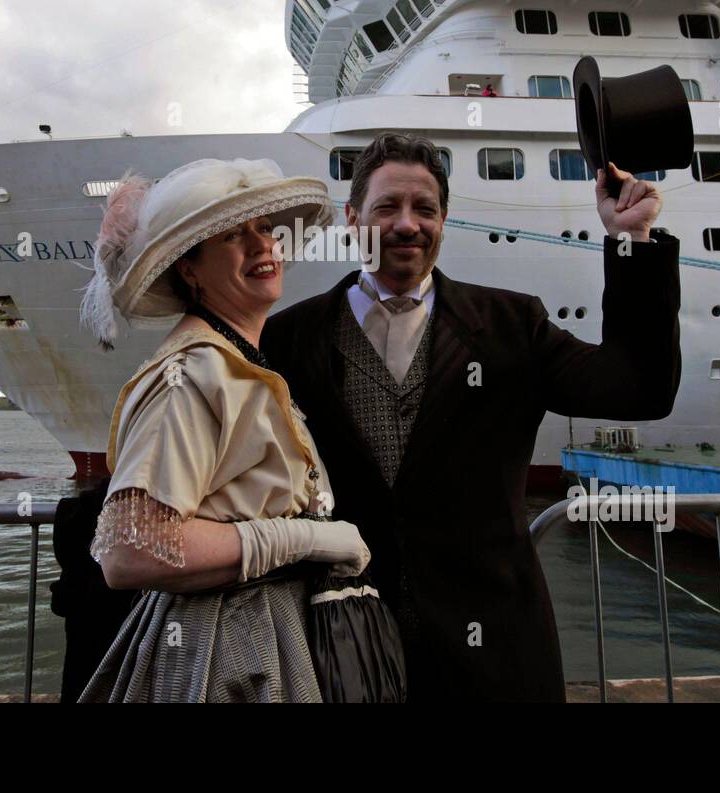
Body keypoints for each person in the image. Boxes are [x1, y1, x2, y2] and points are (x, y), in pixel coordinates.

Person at [261, 133, 682, 702]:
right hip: (344, 653)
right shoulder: (288, 339)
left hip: (495, 652)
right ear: (352, 216)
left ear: (444, 219)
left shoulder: (512, 324)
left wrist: (631, 239)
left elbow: (639, 389)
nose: (407, 224)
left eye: (425, 209)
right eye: (387, 207)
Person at [75, 157, 390, 703]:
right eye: (231, 236)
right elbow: (129, 552)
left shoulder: (233, 359)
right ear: (189, 269)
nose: (262, 246)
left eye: (265, 229)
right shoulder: (193, 373)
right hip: (222, 654)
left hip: (262, 638)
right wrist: (305, 538)